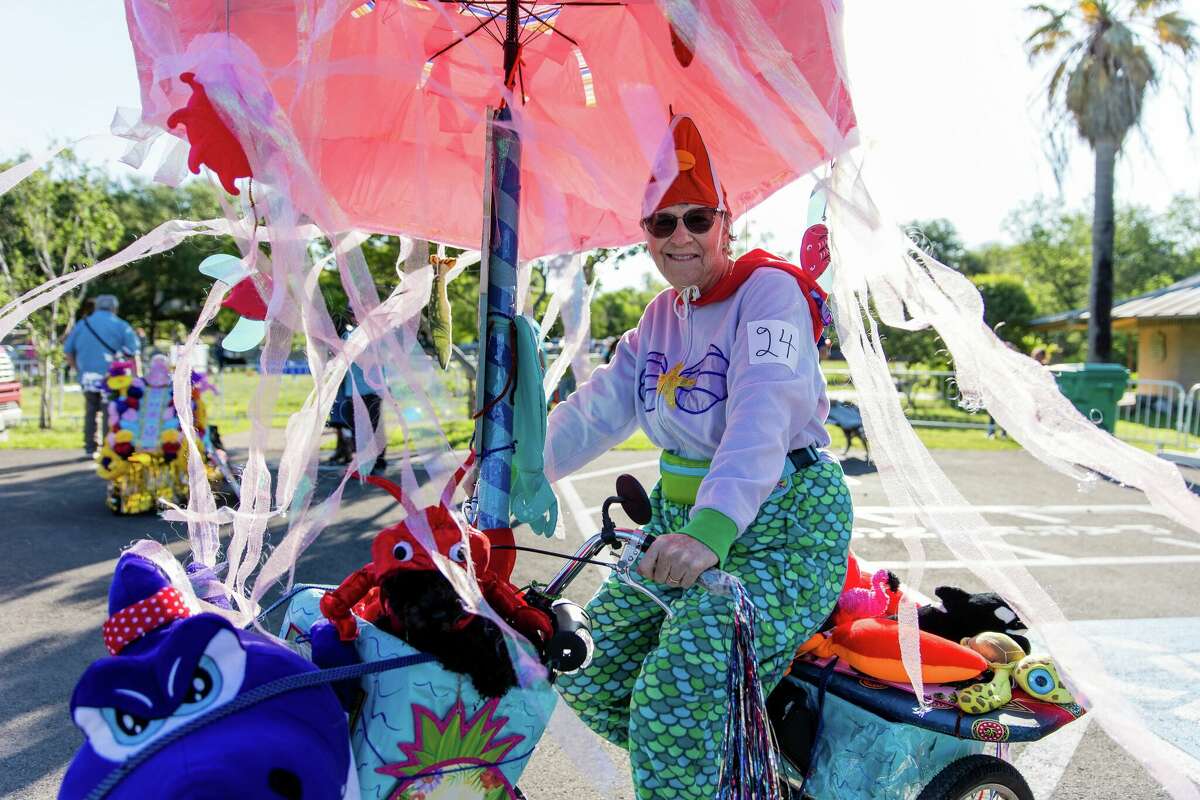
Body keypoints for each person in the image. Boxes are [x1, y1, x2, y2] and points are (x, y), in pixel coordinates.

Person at [543, 115, 853, 799]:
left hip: (779, 527)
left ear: (725, 223)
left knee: (674, 699)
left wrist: (711, 530)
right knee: (585, 666)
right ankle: (731, 766)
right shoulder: (660, 314)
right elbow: (596, 410)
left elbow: (764, 413)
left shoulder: (769, 291)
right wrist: (499, 473)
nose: (679, 235)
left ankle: (703, 759)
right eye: (663, 223)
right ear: (646, 233)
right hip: (677, 526)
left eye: (696, 218)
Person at [63, 295, 140, 458]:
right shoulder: (121, 325)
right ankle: (107, 447)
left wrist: (78, 369)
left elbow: (68, 351)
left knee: (90, 410)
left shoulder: (82, 324)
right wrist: (137, 377)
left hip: (87, 377)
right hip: (113, 378)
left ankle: (90, 448)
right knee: (109, 412)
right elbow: (133, 353)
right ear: (114, 308)